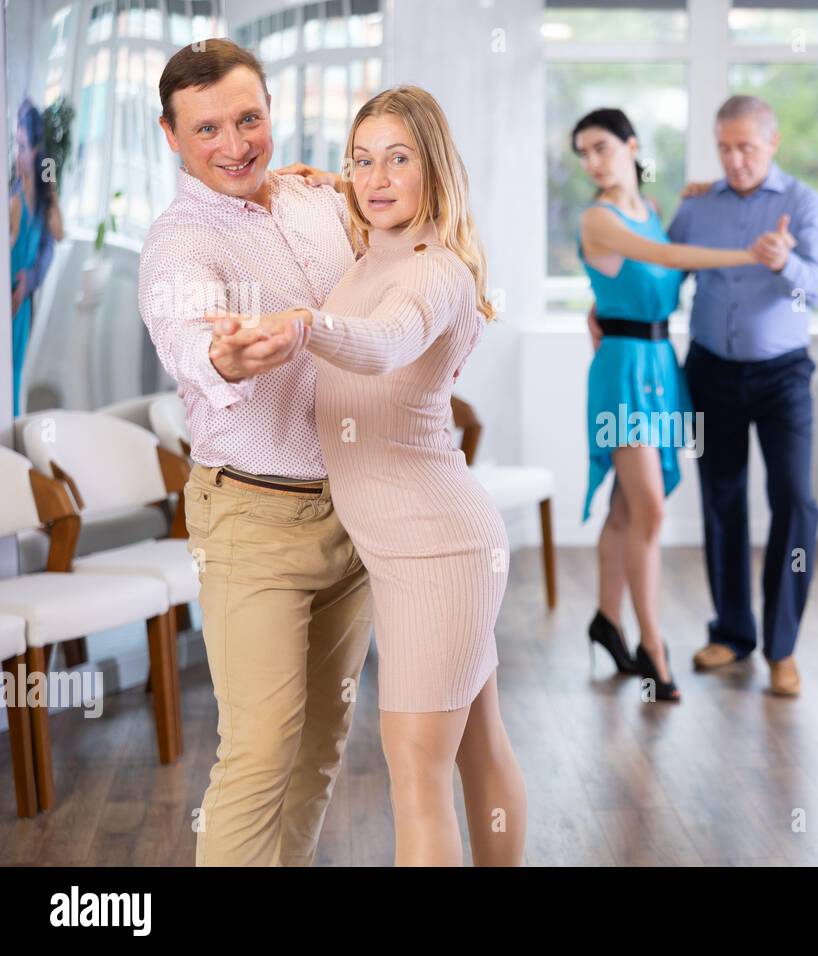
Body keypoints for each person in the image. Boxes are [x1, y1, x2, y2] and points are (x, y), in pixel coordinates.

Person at [208, 86, 527, 866]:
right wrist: (320, 180)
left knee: (417, 774)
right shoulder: (376, 243)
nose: (378, 177)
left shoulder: (436, 272)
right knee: (478, 745)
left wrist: (305, 325)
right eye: (364, 159)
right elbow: (352, 204)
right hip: (413, 544)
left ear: (435, 167)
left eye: (399, 159)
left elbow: (385, 343)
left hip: (434, 548)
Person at [140, 38, 373, 866]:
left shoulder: (314, 200)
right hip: (252, 519)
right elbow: (185, 330)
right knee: (259, 754)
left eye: (249, 119)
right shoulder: (178, 242)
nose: (235, 145)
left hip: (354, 513)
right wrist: (224, 354)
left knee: (320, 747)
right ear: (171, 136)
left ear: (270, 112)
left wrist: (341, 180)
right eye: (207, 130)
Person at [571, 107, 777, 702]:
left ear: (632, 146)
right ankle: (652, 647)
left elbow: (650, 275)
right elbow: (666, 262)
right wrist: (748, 255)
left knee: (626, 507)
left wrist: (703, 192)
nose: (592, 161)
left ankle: (606, 619)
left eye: (602, 147)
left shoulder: (655, 210)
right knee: (652, 513)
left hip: (662, 366)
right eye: (583, 153)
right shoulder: (598, 218)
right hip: (623, 373)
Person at [668, 95, 818, 697]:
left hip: (783, 375)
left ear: (773, 144)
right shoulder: (696, 207)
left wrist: (785, 262)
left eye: (747, 148)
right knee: (721, 501)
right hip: (710, 371)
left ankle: (782, 648)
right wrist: (609, 307)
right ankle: (733, 633)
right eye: (725, 148)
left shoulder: (802, 203)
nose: (735, 160)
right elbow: (664, 270)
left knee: (794, 500)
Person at [9, 97, 64, 413]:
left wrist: (51, 186)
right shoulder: (15, 196)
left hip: (21, 296)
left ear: (34, 150)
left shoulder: (37, 197)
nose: (18, 156)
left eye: (22, 146)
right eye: (15, 146)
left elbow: (58, 233)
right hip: (13, 294)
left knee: (14, 372)